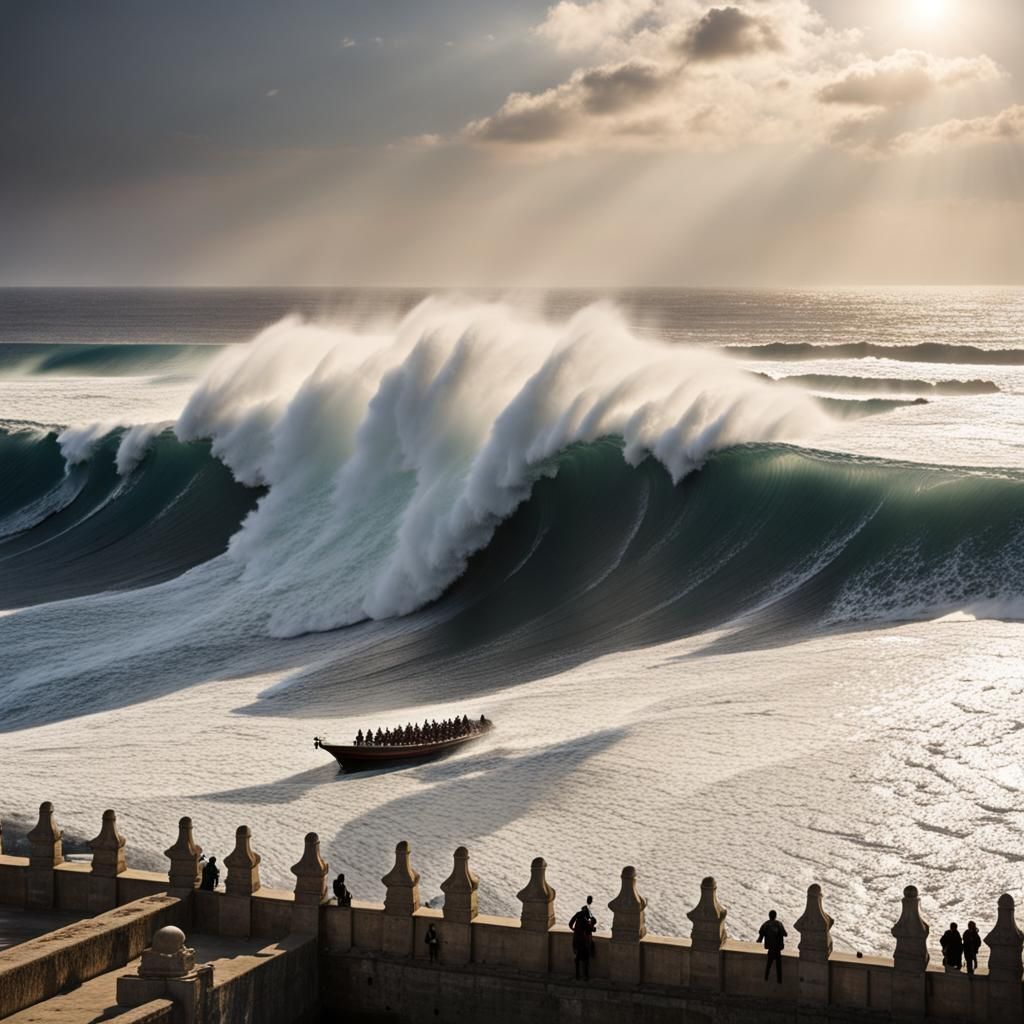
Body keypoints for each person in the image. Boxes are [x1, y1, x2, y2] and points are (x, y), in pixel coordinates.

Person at [569, 897, 597, 980]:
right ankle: (586, 976)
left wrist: (574, 930)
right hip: (583, 943)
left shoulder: (578, 915)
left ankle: (577, 975)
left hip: (575, 940)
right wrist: (592, 924)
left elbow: (570, 924)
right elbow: (592, 929)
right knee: (586, 959)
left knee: (577, 958)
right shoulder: (585, 921)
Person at [758, 910, 787, 983]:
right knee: (778, 967)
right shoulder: (779, 924)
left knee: (768, 966)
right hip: (777, 949)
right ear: (775, 916)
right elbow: (785, 934)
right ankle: (779, 981)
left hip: (771, 949)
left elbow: (760, 937)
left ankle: (766, 979)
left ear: (769, 916)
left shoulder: (766, 924)